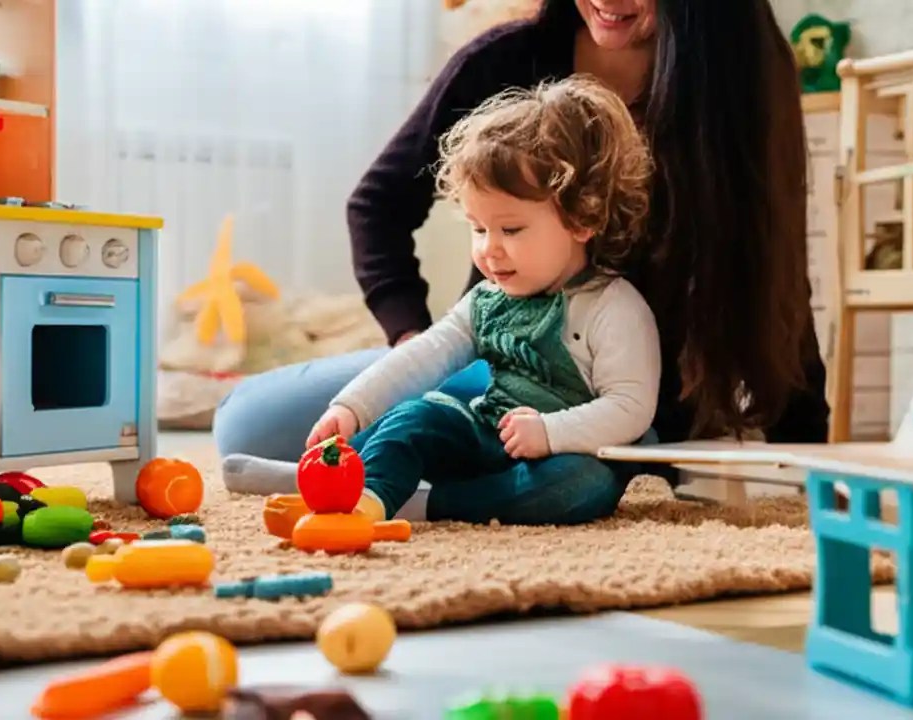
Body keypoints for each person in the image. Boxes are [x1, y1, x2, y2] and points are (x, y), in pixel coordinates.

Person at [215, 0, 829, 511]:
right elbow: (377, 206)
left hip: (614, 402)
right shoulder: (505, 60)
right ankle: (407, 476)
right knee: (246, 426)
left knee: (573, 481)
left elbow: (776, 271)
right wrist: (415, 343)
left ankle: (426, 497)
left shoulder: (738, 84)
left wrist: (816, 461)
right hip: (487, 369)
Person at [296, 76, 658, 524]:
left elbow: (630, 409)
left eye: (511, 230)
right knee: (412, 418)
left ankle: (430, 505)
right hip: (485, 434)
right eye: (479, 228)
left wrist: (549, 432)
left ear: (582, 219)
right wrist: (351, 406)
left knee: (580, 485)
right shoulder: (487, 299)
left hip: (560, 453)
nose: (489, 248)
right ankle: (366, 498)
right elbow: (425, 354)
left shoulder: (613, 307)